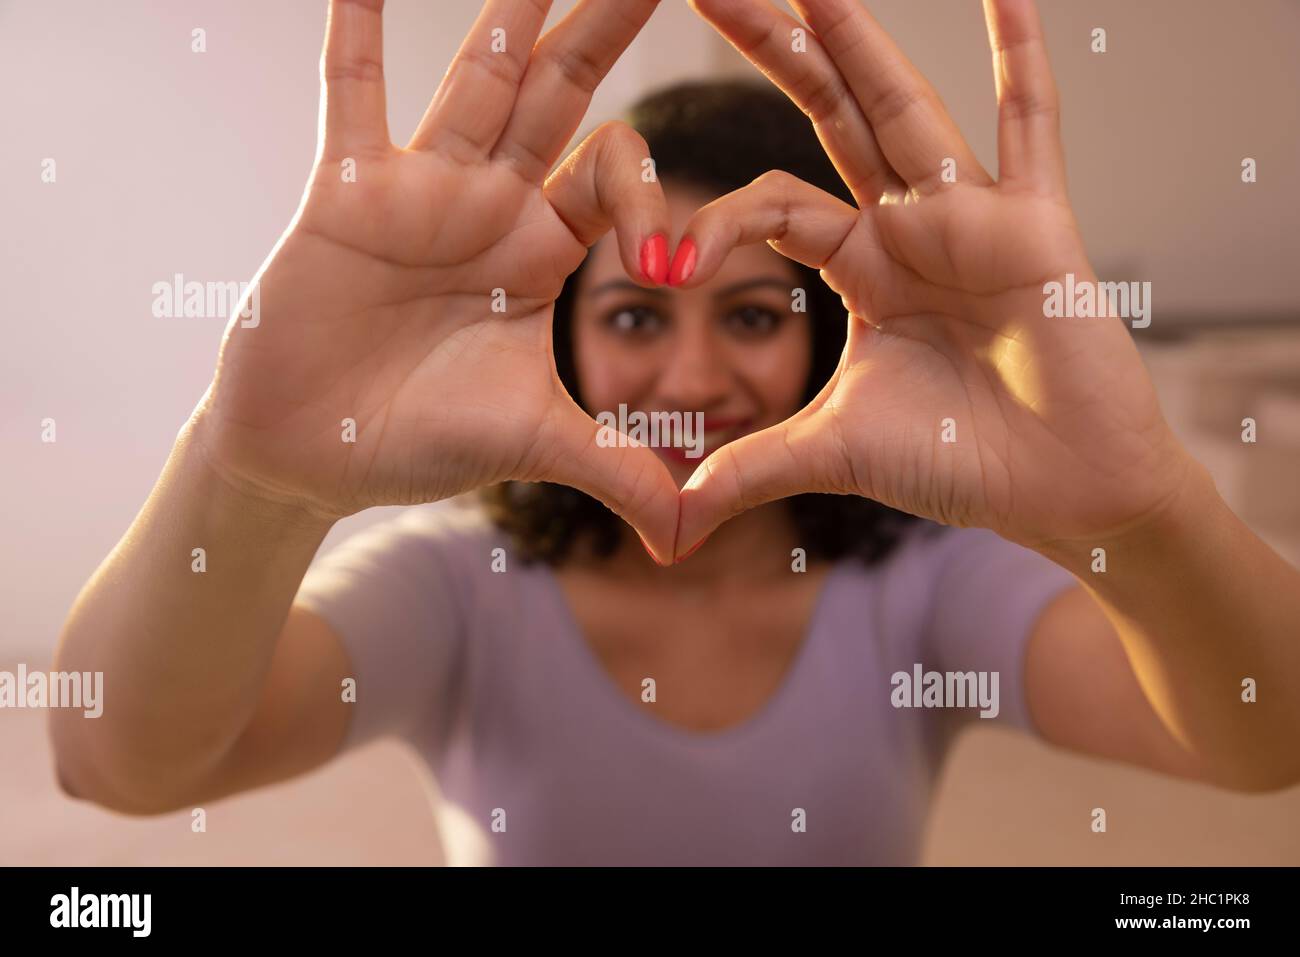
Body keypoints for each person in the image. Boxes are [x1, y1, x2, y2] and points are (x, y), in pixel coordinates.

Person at [51, 0, 1300, 865]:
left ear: (827, 330)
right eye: (637, 313)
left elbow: (1265, 740)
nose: (690, 375)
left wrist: (1145, 512)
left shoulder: (920, 591)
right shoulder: (460, 586)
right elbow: (119, 764)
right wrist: (249, 473)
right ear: (556, 332)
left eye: (753, 312)